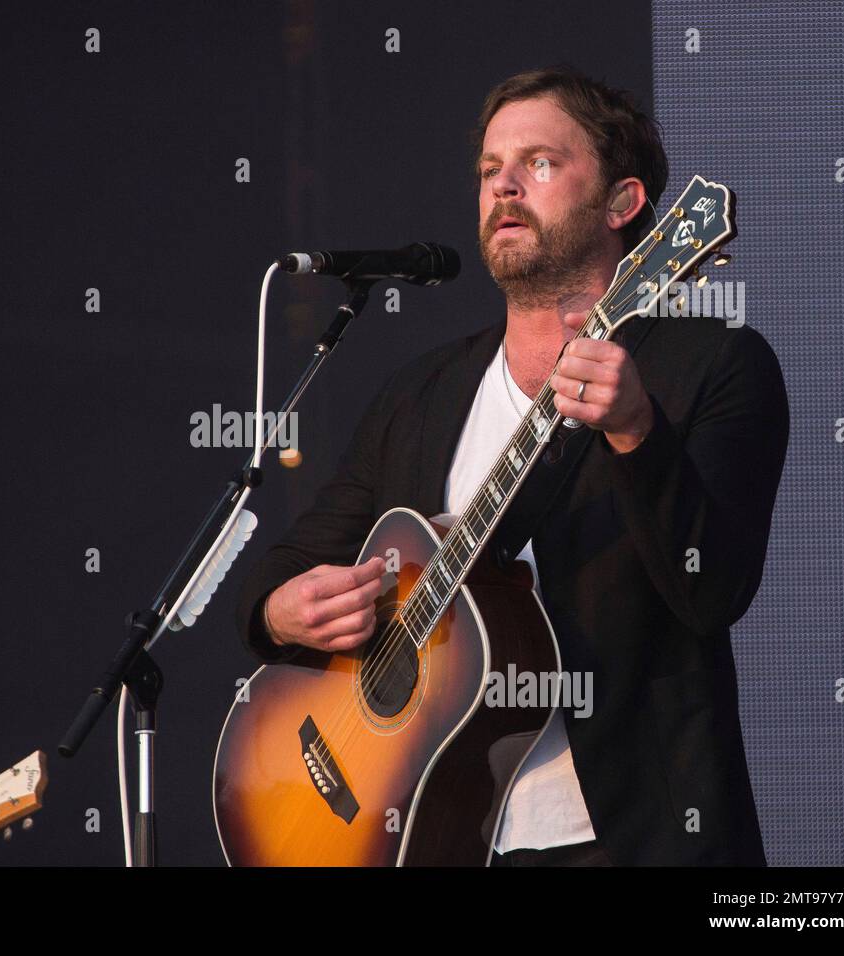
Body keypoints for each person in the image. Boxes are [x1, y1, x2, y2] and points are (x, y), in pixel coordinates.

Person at [235, 66, 789, 866]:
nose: (503, 188)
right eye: (490, 171)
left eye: (539, 163)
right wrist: (280, 611)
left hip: (626, 837)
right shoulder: (423, 393)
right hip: (435, 834)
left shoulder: (711, 366)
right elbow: (291, 561)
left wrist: (637, 430)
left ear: (623, 204)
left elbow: (714, 592)